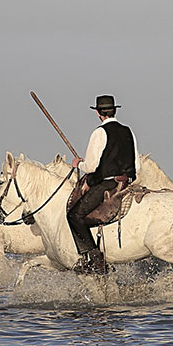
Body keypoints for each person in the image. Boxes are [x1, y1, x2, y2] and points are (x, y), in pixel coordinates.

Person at [67, 94, 142, 274]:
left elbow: (91, 167)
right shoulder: (128, 131)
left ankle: (95, 259)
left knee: (74, 215)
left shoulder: (99, 133)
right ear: (114, 111)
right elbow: (137, 165)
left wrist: (79, 164)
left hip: (108, 185)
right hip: (128, 184)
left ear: (99, 113)